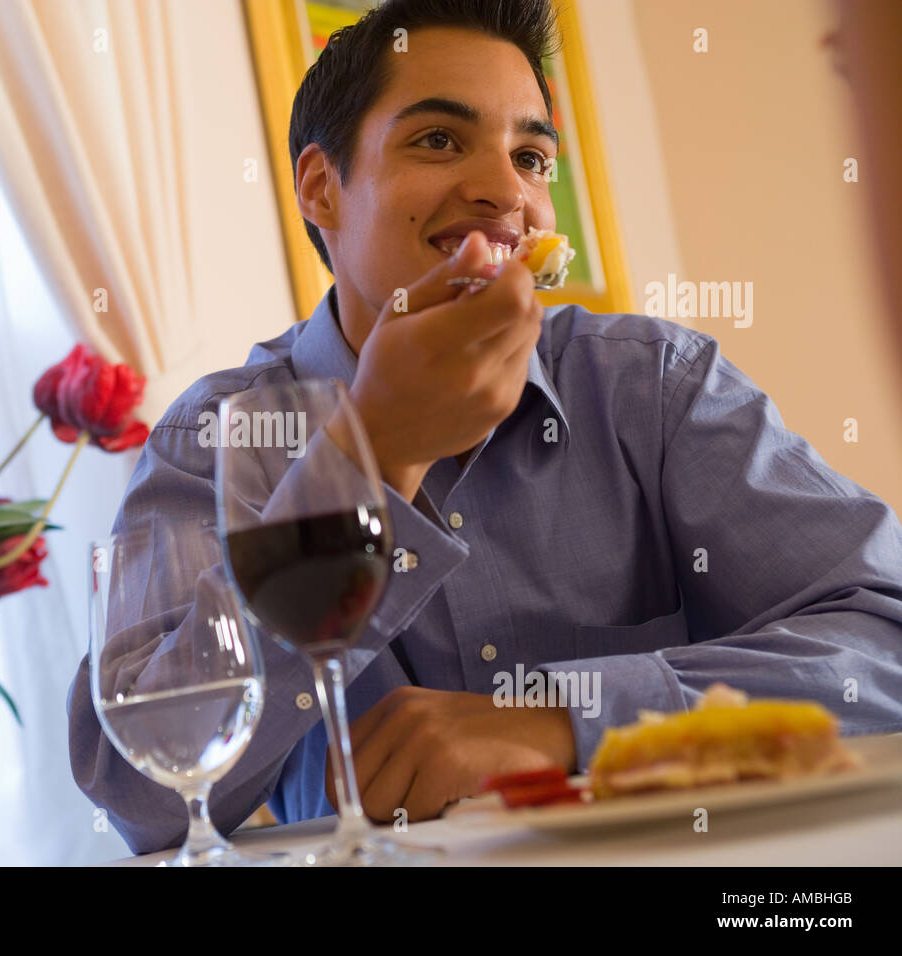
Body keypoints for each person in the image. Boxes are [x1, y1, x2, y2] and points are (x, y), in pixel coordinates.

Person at [67, 0, 902, 855]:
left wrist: (557, 718)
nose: (507, 194)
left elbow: (883, 641)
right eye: (437, 140)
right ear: (322, 186)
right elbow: (144, 794)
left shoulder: (653, 387)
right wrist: (370, 460)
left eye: (532, 157)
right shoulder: (217, 437)